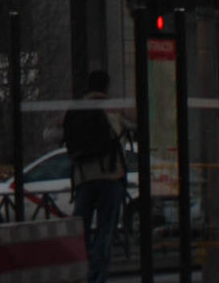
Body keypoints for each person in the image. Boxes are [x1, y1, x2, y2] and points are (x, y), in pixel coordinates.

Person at [63, 70, 127, 283]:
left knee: (81, 231)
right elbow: (138, 123)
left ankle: (82, 272)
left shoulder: (75, 111)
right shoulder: (112, 109)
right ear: (106, 87)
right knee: (105, 231)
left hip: (83, 179)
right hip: (110, 177)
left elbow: (51, 134)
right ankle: (97, 277)